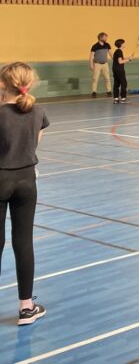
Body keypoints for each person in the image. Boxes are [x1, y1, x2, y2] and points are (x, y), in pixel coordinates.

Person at [0, 62, 49, 325]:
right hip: (27, 182)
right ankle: (26, 308)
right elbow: (34, 143)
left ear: (1, 85)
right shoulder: (38, 111)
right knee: (23, 241)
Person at [89, 32, 112, 98]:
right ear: (100, 37)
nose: (106, 38)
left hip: (105, 64)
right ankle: (94, 91)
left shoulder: (107, 45)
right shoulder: (95, 46)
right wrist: (91, 65)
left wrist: (116, 60)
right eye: (105, 37)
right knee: (95, 78)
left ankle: (109, 91)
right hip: (97, 64)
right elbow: (91, 57)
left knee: (107, 78)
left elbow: (111, 54)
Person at [111, 38, 132, 104]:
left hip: (115, 69)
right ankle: (123, 99)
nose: (125, 44)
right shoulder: (119, 51)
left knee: (116, 84)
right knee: (124, 83)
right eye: (124, 43)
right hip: (119, 70)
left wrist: (128, 57)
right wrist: (129, 60)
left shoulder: (116, 51)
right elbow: (120, 62)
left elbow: (120, 59)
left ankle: (116, 99)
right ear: (121, 44)